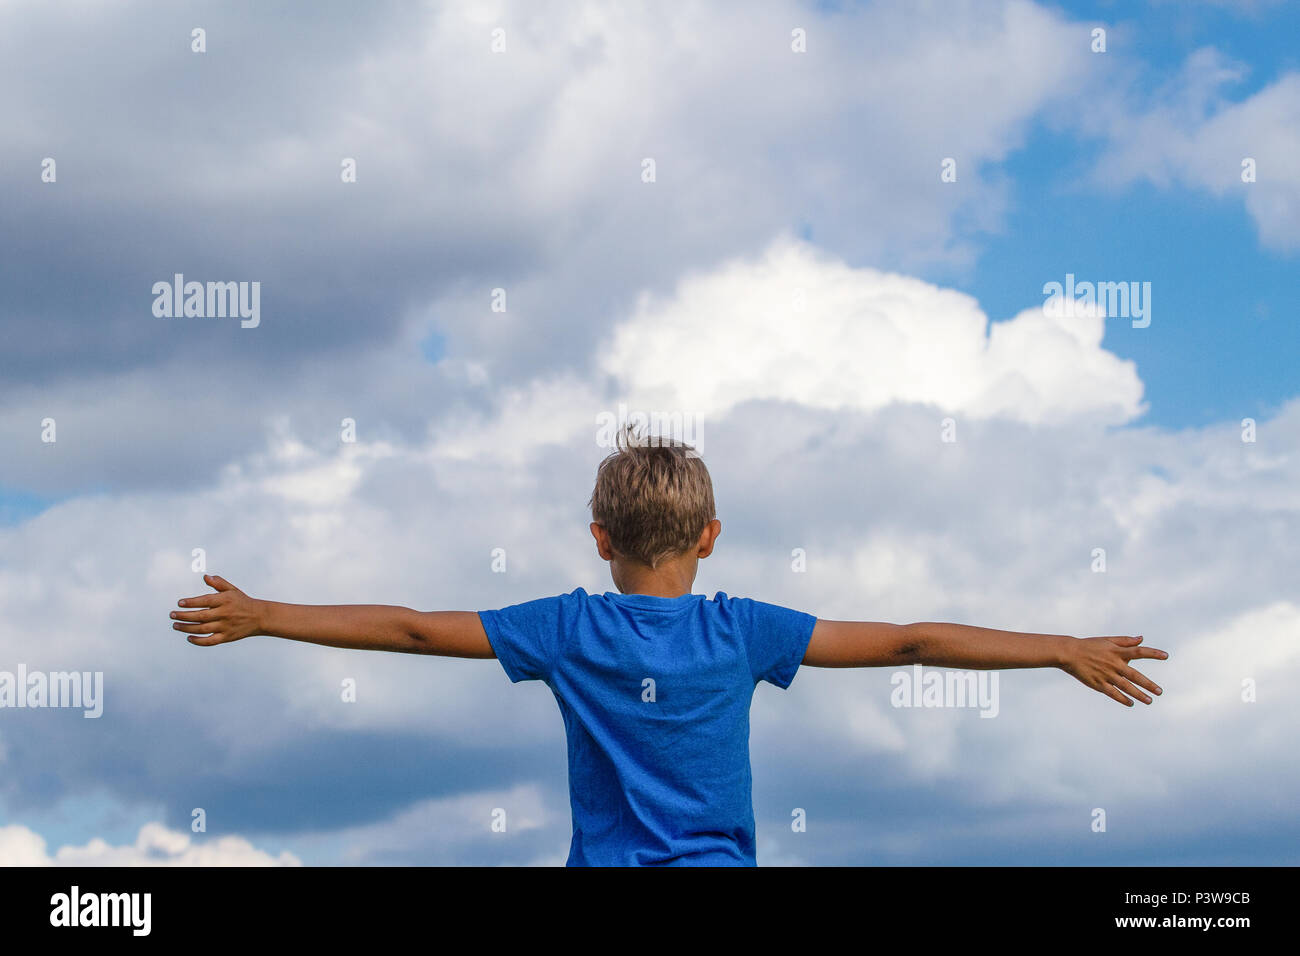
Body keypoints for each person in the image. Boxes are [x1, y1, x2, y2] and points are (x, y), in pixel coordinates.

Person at [170, 427, 1168, 866]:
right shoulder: (745, 632)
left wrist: (271, 613)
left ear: (597, 537)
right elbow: (910, 639)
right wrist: (1058, 647)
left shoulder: (565, 628)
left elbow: (411, 626)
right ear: (709, 536)